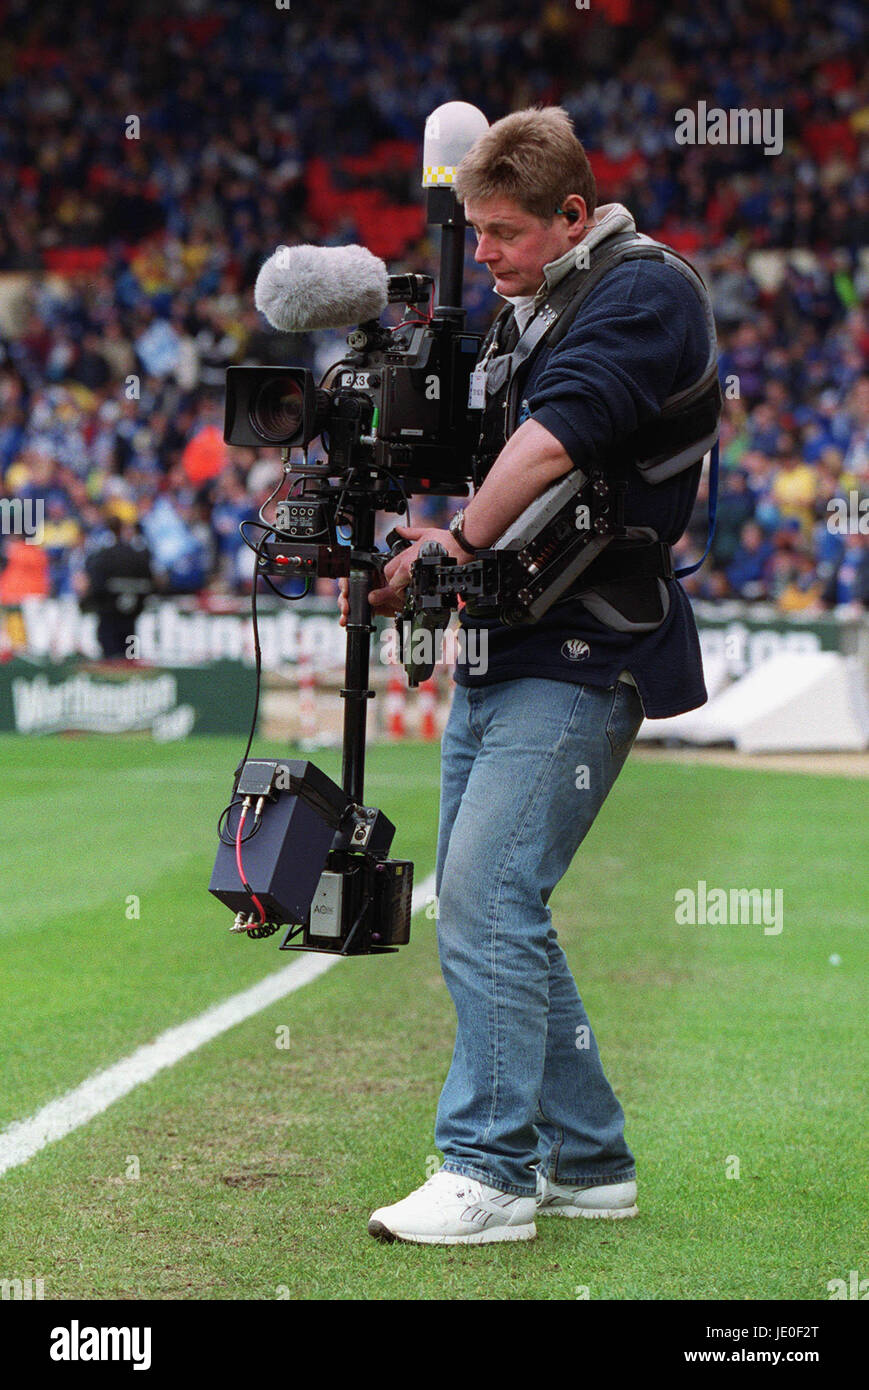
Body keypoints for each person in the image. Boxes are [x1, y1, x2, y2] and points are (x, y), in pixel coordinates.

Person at [340, 107, 719, 1245]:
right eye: (474, 231)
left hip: (584, 644)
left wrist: (448, 547)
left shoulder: (643, 291)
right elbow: (484, 444)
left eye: (504, 232)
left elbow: (555, 440)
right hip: (508, 642)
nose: (487, 252)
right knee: (487, 900)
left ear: (570, 215)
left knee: (491, 900)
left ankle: (489, 1171)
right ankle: (588, 1160)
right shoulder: (531, 308)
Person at [76, 515, 154, 659]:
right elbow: (149, 584)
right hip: (130, 616)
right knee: (130, 652)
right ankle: (129, 675)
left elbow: (95, 586)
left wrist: (88, 601)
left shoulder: (102, 557)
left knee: (110, 653)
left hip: (108, 614)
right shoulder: (138, 556)